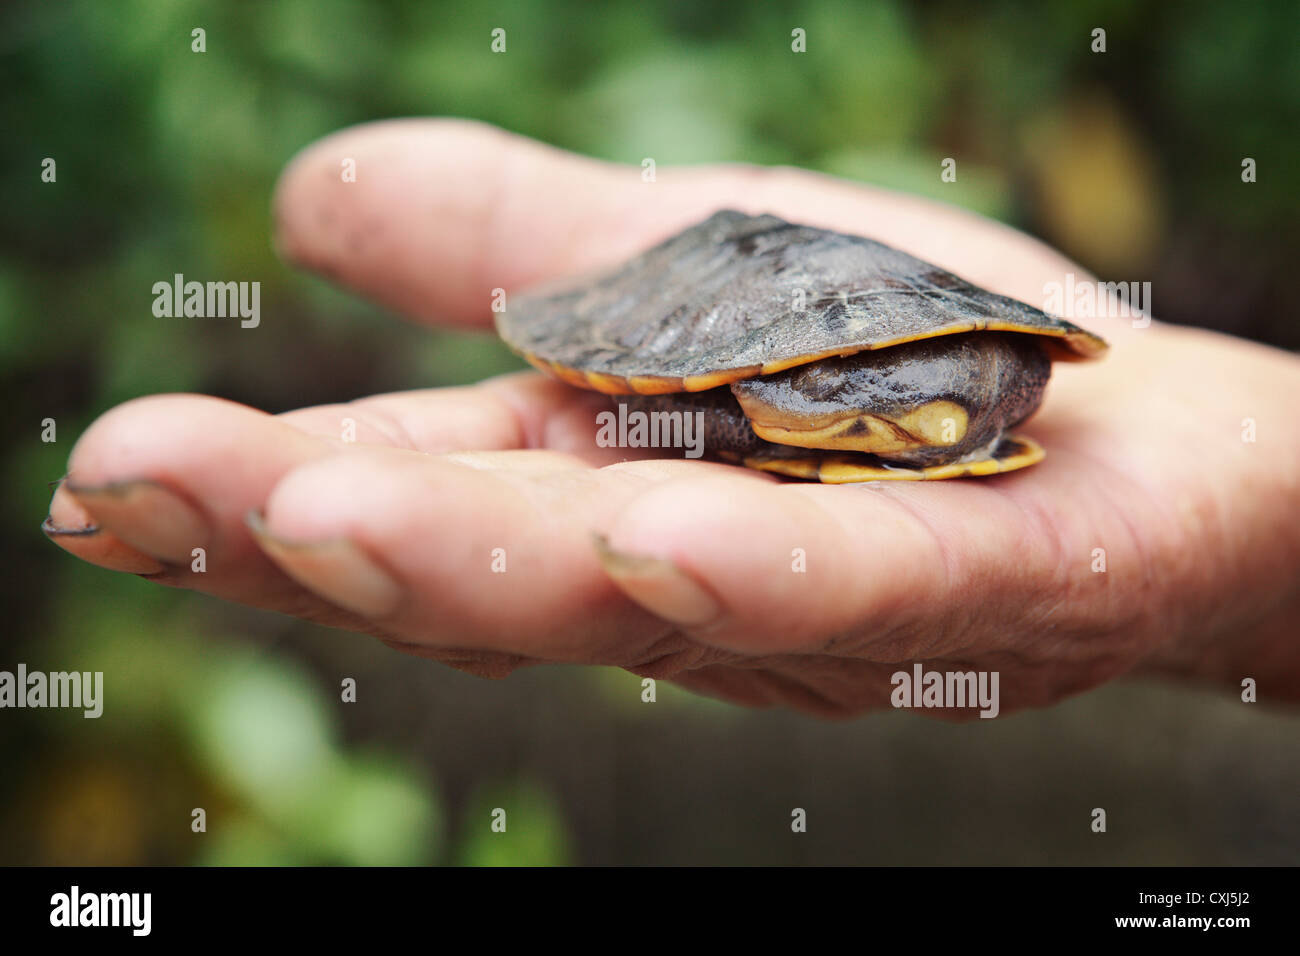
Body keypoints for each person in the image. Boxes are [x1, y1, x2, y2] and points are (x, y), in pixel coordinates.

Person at [43, 120, 1300, 717]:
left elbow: (1019, 364)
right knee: (769, 409)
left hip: (891, 313)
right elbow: (758, 391)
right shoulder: (789, 388)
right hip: (732, 296)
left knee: (932, 384)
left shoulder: (1003, 374)